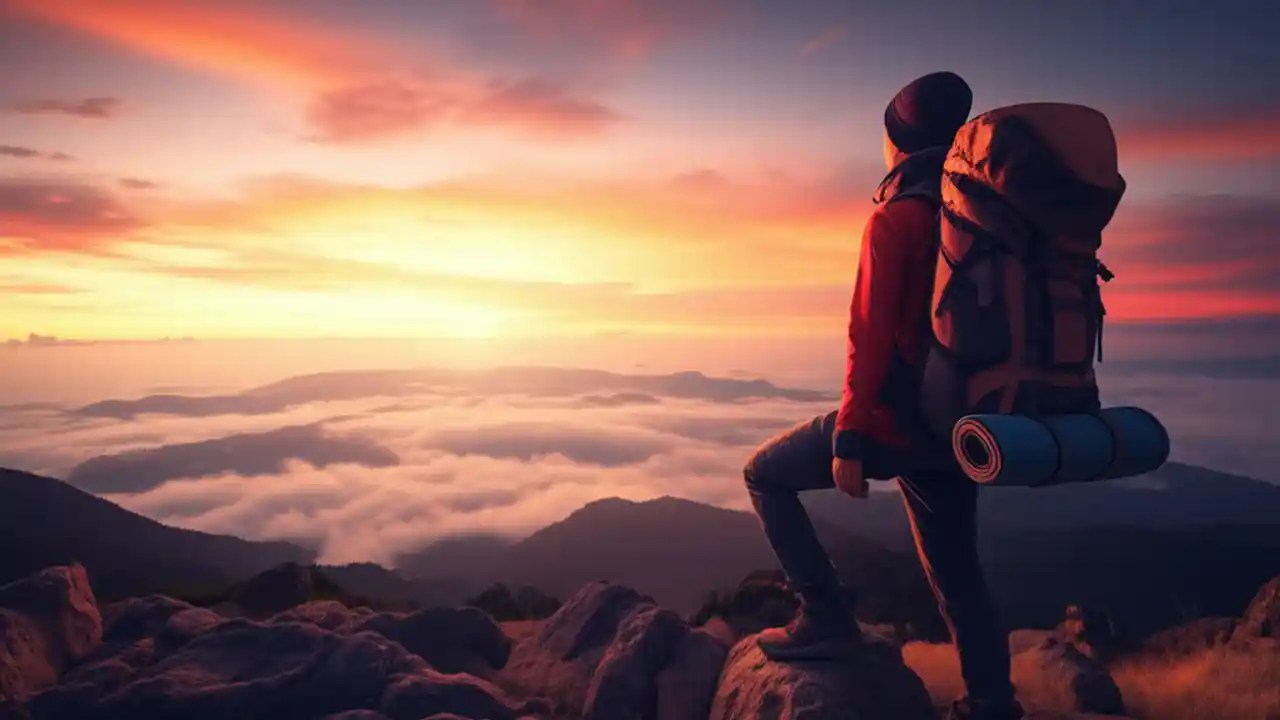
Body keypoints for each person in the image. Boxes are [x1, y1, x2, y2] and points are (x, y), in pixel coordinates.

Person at [742, 72, 1022, 720]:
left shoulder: (898, 218)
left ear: (898, 144)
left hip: (896, 422)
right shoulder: (984, 222)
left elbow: (867, 336)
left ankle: (826, 617)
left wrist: (849, 437)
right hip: (959, 424)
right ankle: (992, 703)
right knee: (957, 572)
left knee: (765, 476)